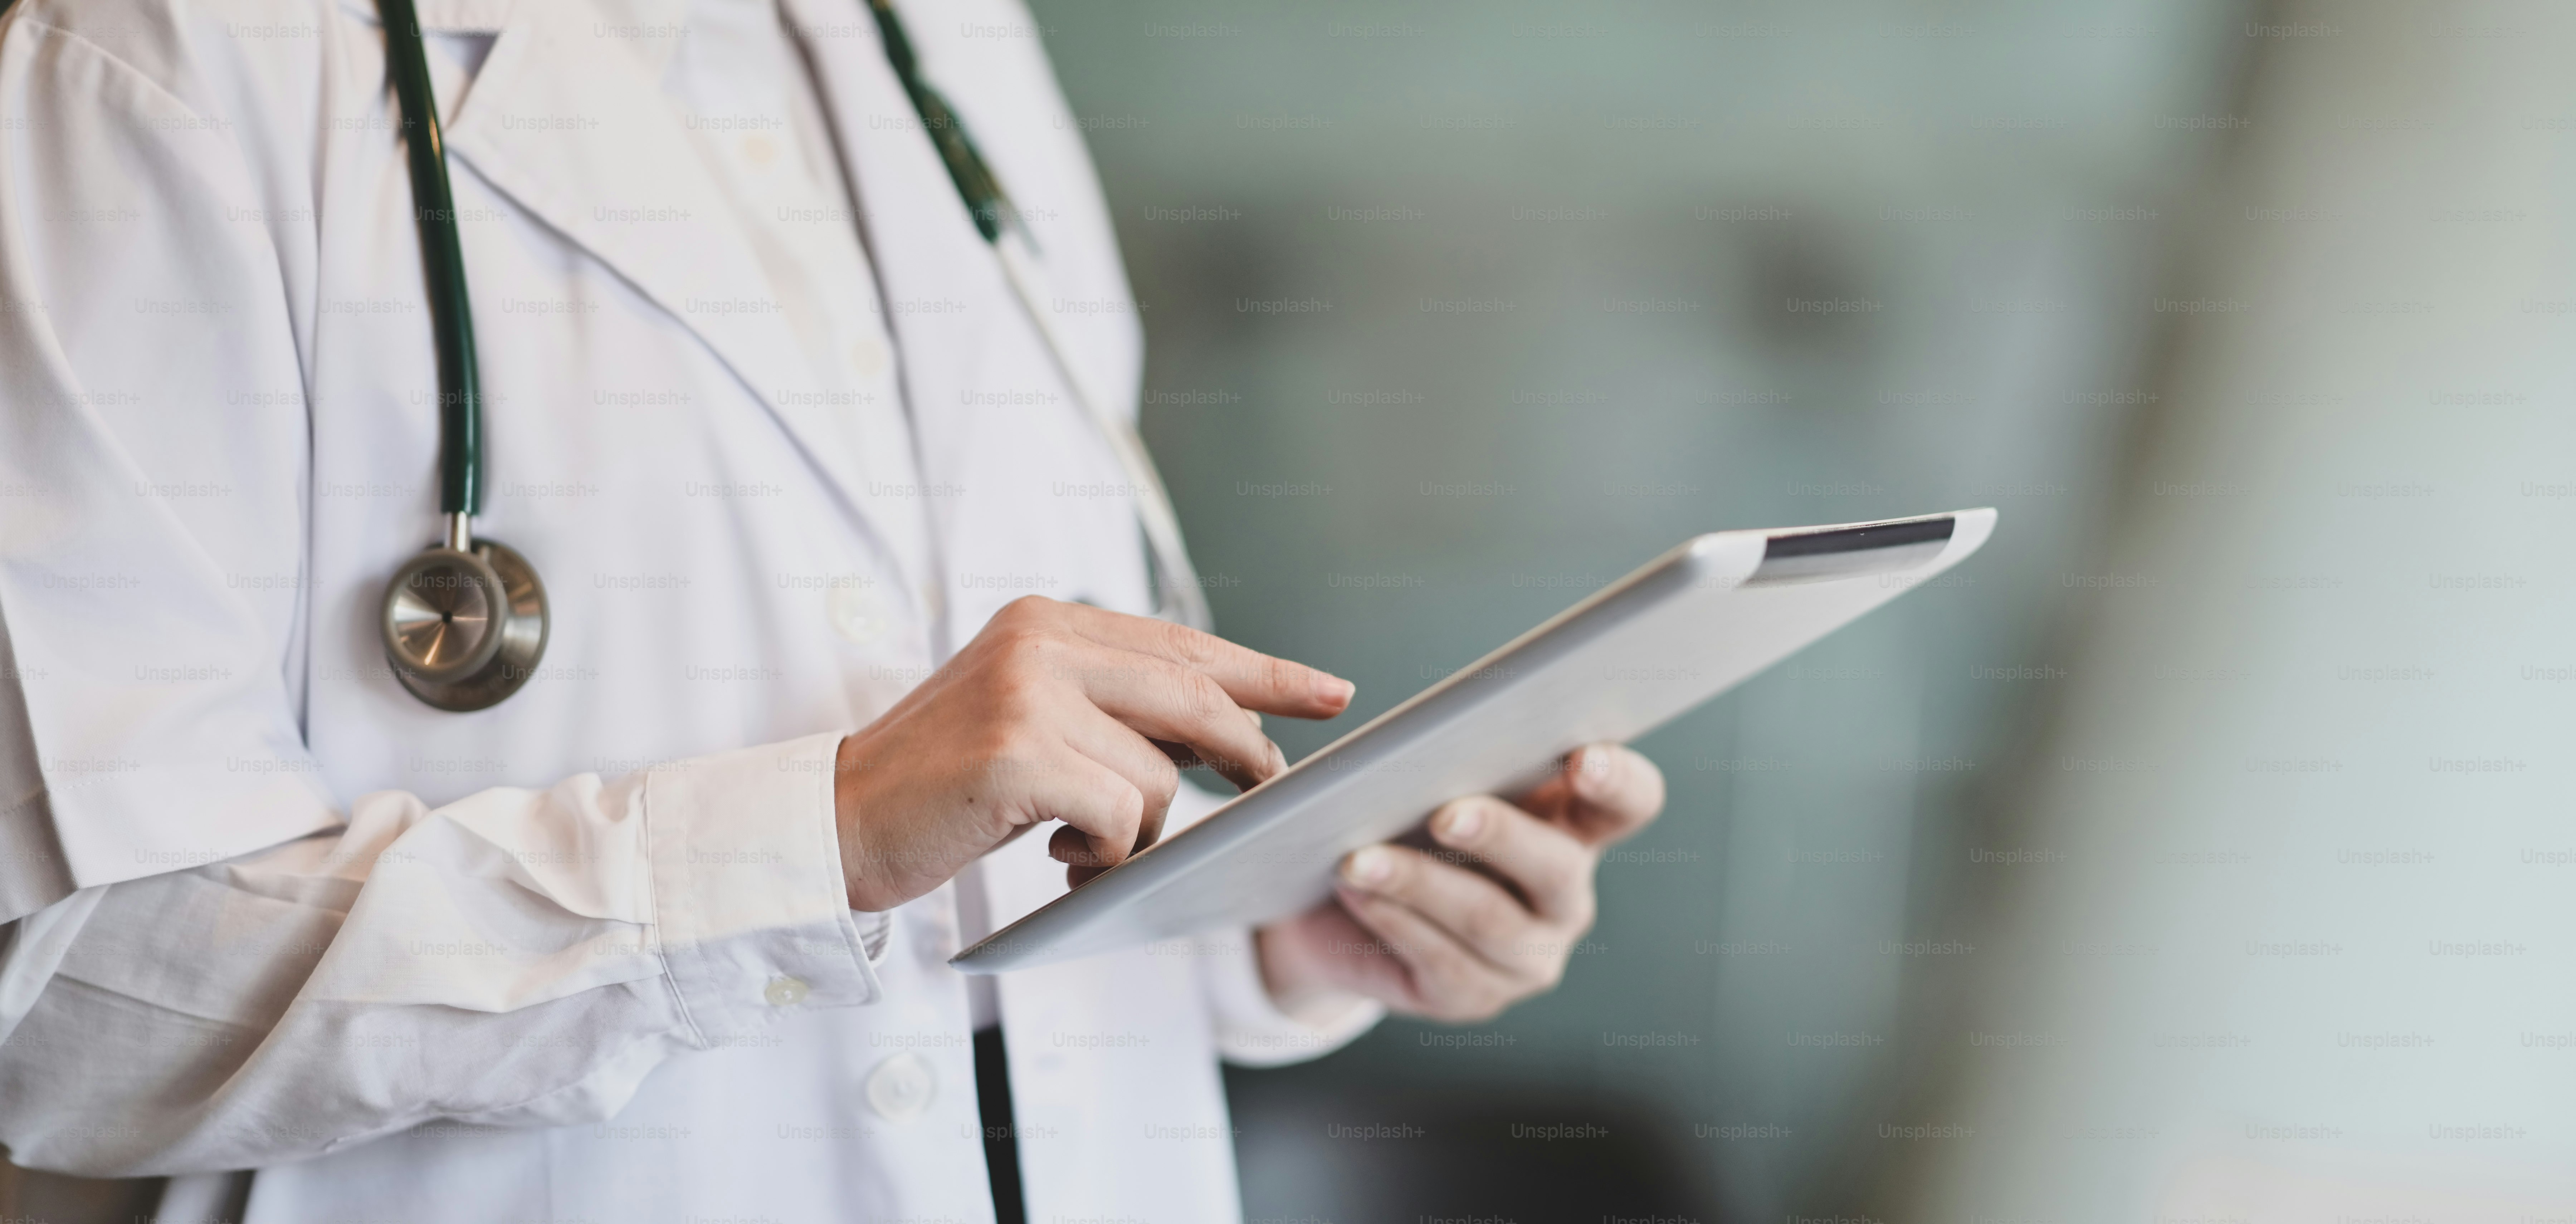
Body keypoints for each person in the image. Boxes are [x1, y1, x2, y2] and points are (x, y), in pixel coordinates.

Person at [0, 0, 1668, 1219]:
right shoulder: (156, 64)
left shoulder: (949, 51)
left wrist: (1284, 920)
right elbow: (61, 1009)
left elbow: (1006, 809)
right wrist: (819, 834)